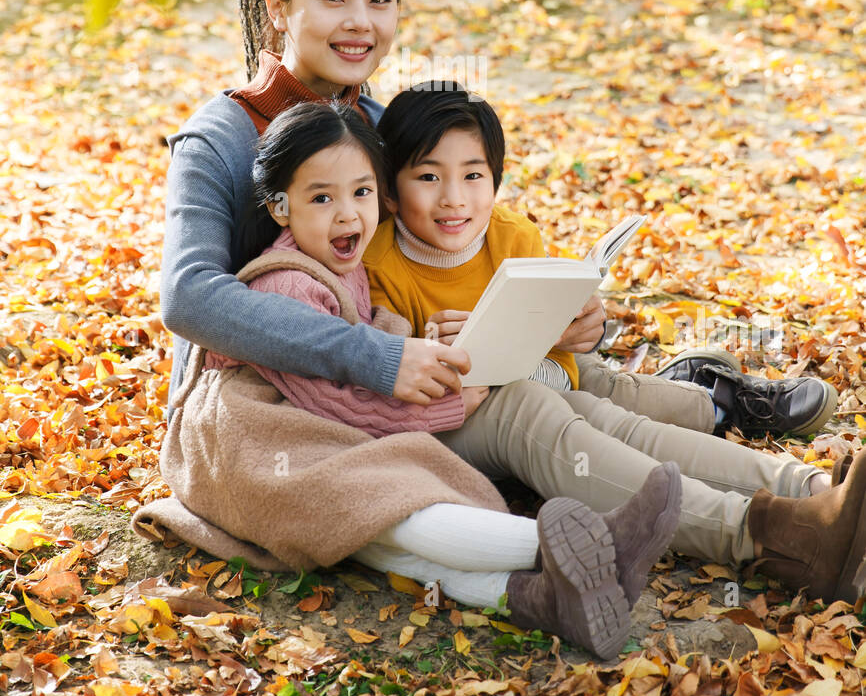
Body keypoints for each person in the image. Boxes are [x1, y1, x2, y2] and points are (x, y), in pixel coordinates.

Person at [157, 97, 684, 657]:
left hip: (305, 426)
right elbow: (335, 401)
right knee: (395, 504)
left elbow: (367, 332)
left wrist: (422, 342)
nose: (346, 215)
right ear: (280, 208)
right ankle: (598, 546)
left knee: (388, 540)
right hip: (251, 441)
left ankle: (539, 600)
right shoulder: (289, 284)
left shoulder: (345, 263)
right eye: (320, 198)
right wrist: (447, 408)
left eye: (361, 193)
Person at [362, 81, 866, 604]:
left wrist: (575, 332)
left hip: (536, 390)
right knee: (534, 409)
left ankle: (812, 490)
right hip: (447, 424)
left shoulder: (511, 236)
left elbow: (562, 366)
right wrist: (426, 351)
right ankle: (769, 535)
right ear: (392, 193)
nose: (454, 198)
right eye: (427, 177)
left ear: (496, 180)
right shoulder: (378, 266)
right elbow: (383, 377)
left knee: (610, 420)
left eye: (473, 176)